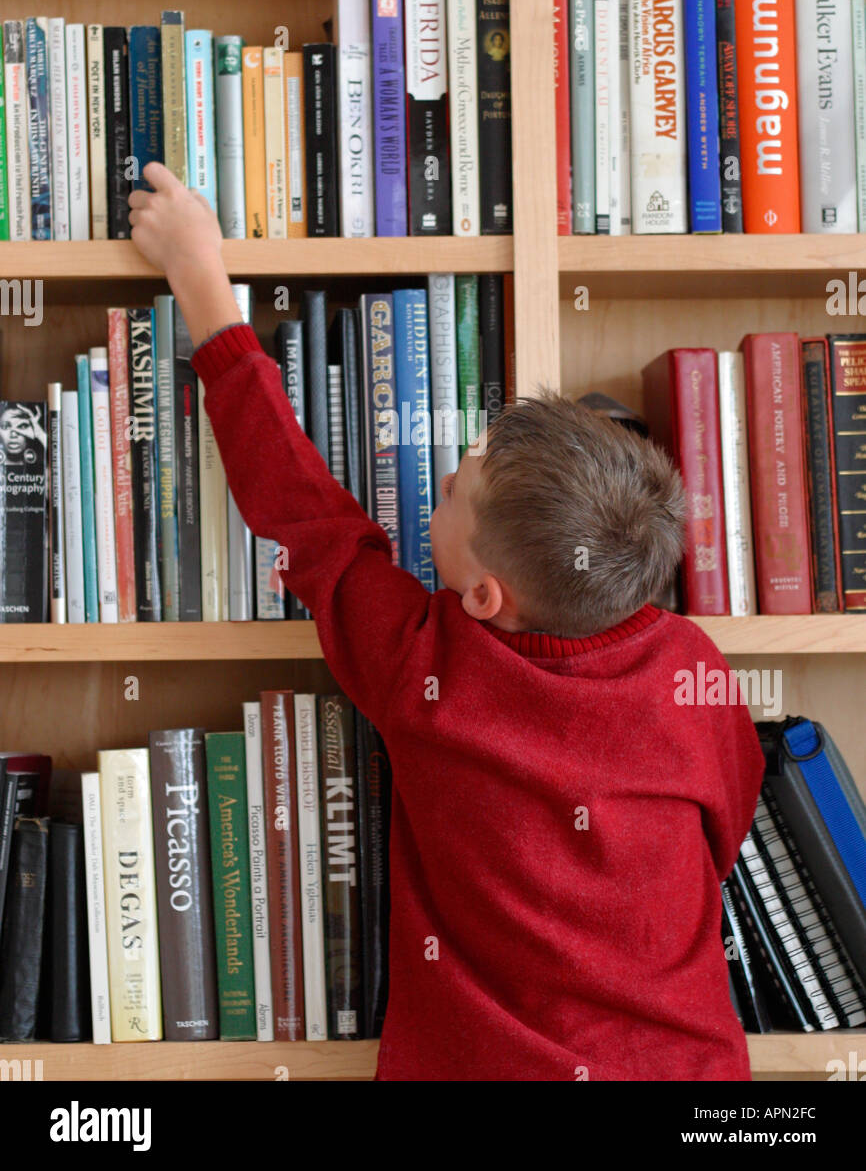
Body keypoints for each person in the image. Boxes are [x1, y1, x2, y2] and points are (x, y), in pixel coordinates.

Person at [129, 161, 765, 1081]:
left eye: (453, 493)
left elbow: (308, 513)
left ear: (484, 599)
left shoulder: (425, 664)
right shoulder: (689, 666)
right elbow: (726, 827)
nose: (443, 481)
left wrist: (201, 281)